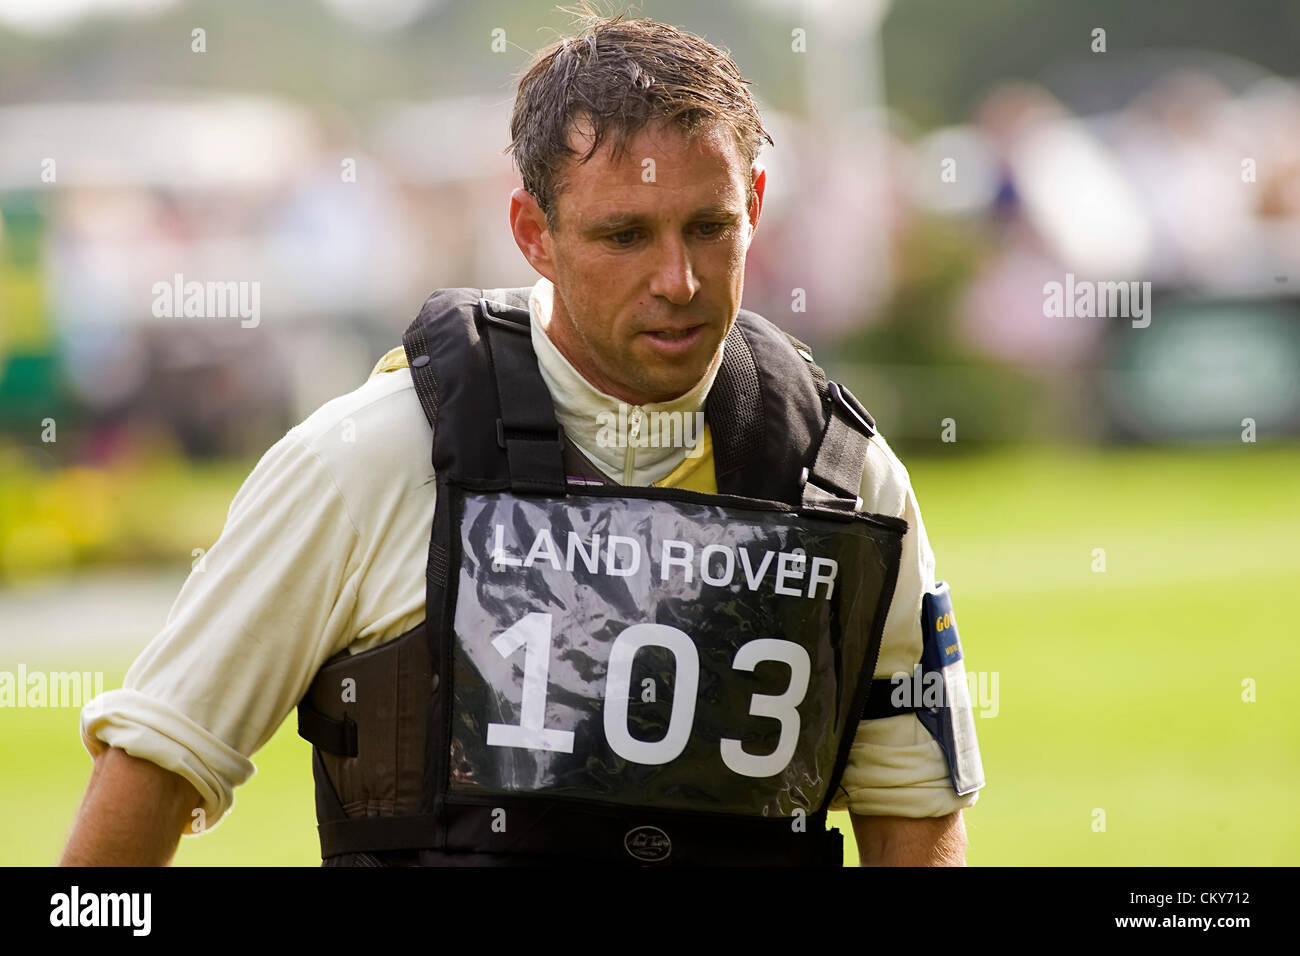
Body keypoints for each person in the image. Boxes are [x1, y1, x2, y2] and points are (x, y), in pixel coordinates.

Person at [61, 7, 983, 868]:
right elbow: (155, 764)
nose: (679, 280)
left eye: (709, 228)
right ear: (531, 232)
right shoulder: (367, 462)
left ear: (757, 204)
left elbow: (914, 807)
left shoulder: (843, 480)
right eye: (624, 236)